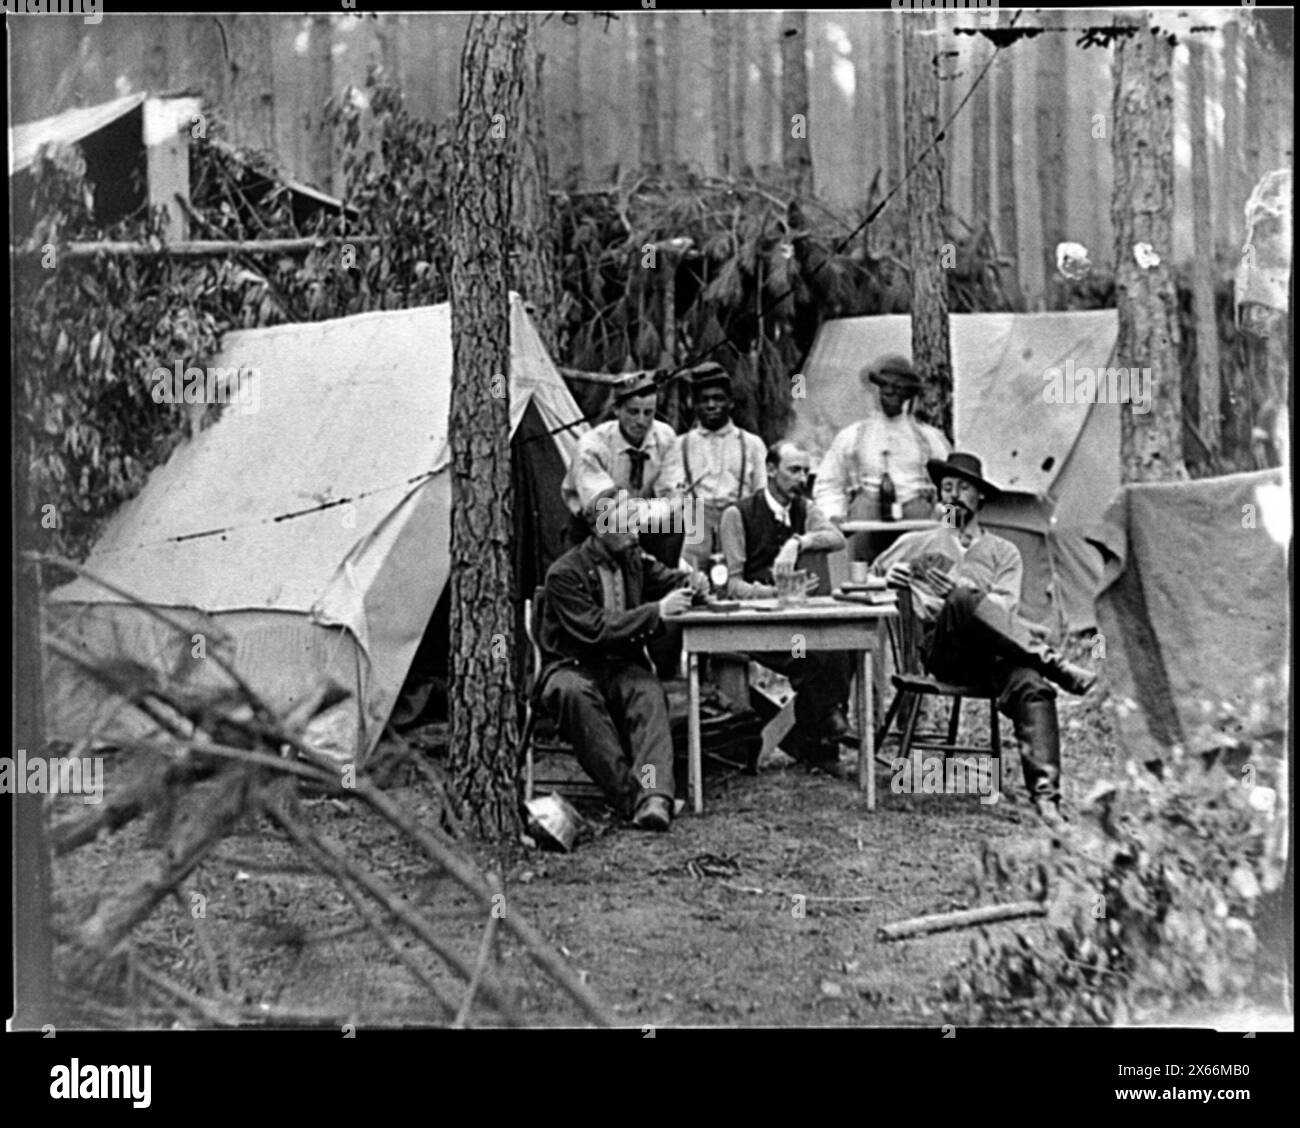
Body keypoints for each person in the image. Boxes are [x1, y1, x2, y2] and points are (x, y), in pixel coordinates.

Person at [870, 452, 1098, 822]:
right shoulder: (916, 542)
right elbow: (862, 580)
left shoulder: (1004, 553)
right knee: (961, 599)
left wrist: (962, 590)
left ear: (981, 498)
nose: (954, 496)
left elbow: (1004, 613)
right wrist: (884, 580)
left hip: (992, 657)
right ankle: (1056, 663)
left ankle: (1046, 800)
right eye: (947, 488)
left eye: (963, 488)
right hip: (942, 653)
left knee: (1030, 684)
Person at [538, 489, 708, 831]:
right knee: (575, 696)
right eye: (627, 524)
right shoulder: (564, 573)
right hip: (572, 666)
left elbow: (668, 579)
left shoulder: (633, 559)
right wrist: (657, 611)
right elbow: (595, 627)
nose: (635, 532)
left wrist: (693, 583)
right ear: (600, 529)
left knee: (647, 691)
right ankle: (633, 798)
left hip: (619, 665)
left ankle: (655, 794)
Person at [719, 441, 857, 775]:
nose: (801, 478)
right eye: (794, 470)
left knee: (840, 644)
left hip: (795, 624)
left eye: (805, 471)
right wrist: (776, 591)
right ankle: (826, 736)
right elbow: (732, 585)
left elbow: (836, 538)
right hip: (757, 627)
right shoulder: (737, 515)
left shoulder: (803, 509)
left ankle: (823, 735)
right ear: (770, 469)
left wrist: (799, 542)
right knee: (812, 656)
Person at [813, 354, 951, 562]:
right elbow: (828, 484)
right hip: (865, 529)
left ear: (909, 394)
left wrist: (950, 525)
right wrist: (834, 516)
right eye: (884, 386)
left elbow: (955, 490)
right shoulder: (851, 437)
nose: (890, 392)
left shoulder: (931, 440)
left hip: (918, 531)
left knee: (917, 582)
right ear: (875, 390)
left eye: (898, 388)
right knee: (865, 583)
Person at [560, 373, 679, 562]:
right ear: (617, 409)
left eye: (648, 413)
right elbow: (606, 511)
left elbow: (674, 500)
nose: (641, 421)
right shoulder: (592, 445)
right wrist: (652, 510)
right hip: (592, 530)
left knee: (675, 527)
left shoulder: (665, 438)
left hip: (645, 529)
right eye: (633, 412)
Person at [660, 362, 767, 571]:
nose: (711, 405)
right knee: (690, 579)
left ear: (730, 402)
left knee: (738, 580)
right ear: (694, 404)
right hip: (696, 522)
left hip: (737, 520)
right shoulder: (680, 445)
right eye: (704, 400)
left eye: (718, 399)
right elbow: (668, 491)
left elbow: (761, 492)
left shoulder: (751, 444)